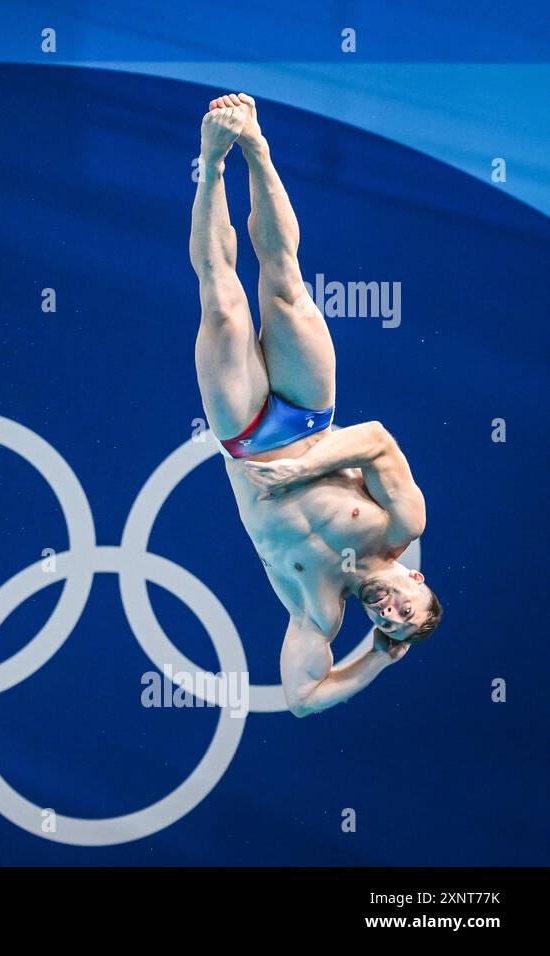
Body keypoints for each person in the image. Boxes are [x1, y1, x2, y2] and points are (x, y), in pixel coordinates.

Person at [189, 93, 441, 716]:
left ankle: (213, 160)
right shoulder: (402, 525)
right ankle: (254, 144)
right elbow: (378, 438)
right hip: (306, 416)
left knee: (222, 300)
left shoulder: (317, 609)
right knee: (286, 281)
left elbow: (302, 700)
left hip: (244, 432)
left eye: (389, 623)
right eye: (405, 609)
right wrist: (303, 467)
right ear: (416, 578)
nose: (389, 612)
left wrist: (379, 657)